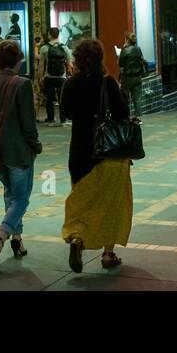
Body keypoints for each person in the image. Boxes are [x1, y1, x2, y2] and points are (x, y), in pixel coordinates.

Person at [60, 37, 132, 272]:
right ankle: (108, 254)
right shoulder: (107, 83)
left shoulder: (70, 84)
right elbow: (123, 112)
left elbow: (66, 112)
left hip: (80, 154)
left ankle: (78, 239)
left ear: (78, 60)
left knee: (82, 202)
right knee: (111, 204)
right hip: (108, 154)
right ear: (100, 58)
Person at [0, 40, 41, 269]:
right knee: (21, 198)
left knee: (10, 194)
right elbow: (28, 124)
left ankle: (18, 240)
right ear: (18, 61)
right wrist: (35, 144)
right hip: (20, 152)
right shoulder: (23, 84)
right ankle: (0, 237)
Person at [38, 26, 70, 125]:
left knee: (49, 99)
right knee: (62, 99)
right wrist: (69, 74)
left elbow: (41, 65)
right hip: (62, 77)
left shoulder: (44, 48)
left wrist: (40, 77)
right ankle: (63, 119)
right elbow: (69, 64)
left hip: (49, 77)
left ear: (50, 35)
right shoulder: (65, 47)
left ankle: (51, 119)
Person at [118, 32, 147, 116]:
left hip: (127, 77)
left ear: (127, 40)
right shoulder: (138, 49)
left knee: (125, 97)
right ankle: (138, 118)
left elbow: (120, 64)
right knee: (137, 99)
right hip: (137, 76)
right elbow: (141, 60)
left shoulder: (125, 50)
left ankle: (126, 116)